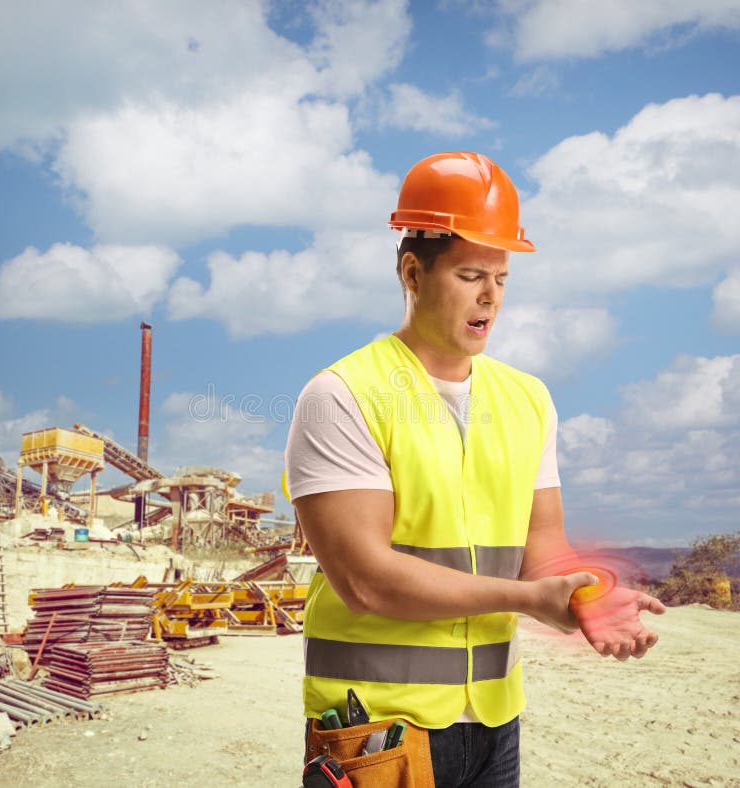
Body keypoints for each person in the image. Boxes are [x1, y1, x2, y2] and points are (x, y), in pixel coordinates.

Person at [284, 151, 665, 787]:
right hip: (376, 728)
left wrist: (586, 595)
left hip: (494, 725)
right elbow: (366, 580)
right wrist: (531, 602)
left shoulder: (527, 399)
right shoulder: (341, 395)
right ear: (412, 271)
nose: (490, 296)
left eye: (502, 277)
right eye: (468, 274)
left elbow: (542, 548)